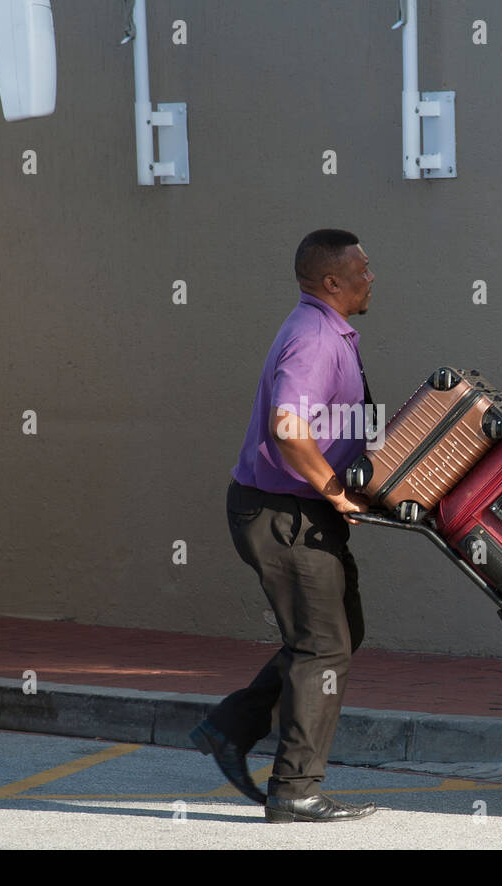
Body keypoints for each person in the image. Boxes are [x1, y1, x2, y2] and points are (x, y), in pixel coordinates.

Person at [190, 228, 379, 823]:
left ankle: (231, 728)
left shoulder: (330, 332)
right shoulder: (314, 339)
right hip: (284, 514)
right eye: (362, 268)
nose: (371, 277)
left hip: (296, 509)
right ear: (331, 281)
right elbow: (288, 428)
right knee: (322, 647)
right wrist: (334, 492)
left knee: (340, 630)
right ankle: (295, 790)